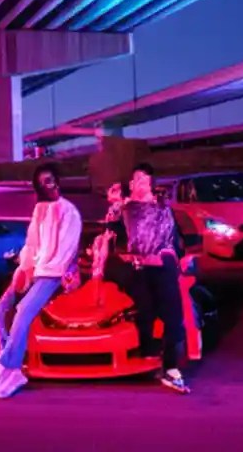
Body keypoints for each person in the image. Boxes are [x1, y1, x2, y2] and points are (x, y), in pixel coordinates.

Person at [0, 163, 82, 399]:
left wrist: (38, 272)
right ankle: (7, 363)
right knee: (1, 308)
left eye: (49, 180)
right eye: (41, 182)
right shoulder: (40, 210)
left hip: (54, 276)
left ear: (58, 181)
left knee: (23, 310)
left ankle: (7, 367)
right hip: (35, 271)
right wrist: (24, 270)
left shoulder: (69, 212)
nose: (46, 186)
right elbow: (32, 244)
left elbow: (64, 253)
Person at [106, 163, 191, 394]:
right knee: (145, 307)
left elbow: (176, 239)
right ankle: (147, 352)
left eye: (145, 181)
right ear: (131, 185)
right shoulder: (125, 208)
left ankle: (171, 367)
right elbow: (111, 232)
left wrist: (176, 257)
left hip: (162, 265)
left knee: (173, 313)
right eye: (137, 181)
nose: (141, 185)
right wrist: (114, 204)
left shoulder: (163, 208)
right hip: (136, 267)